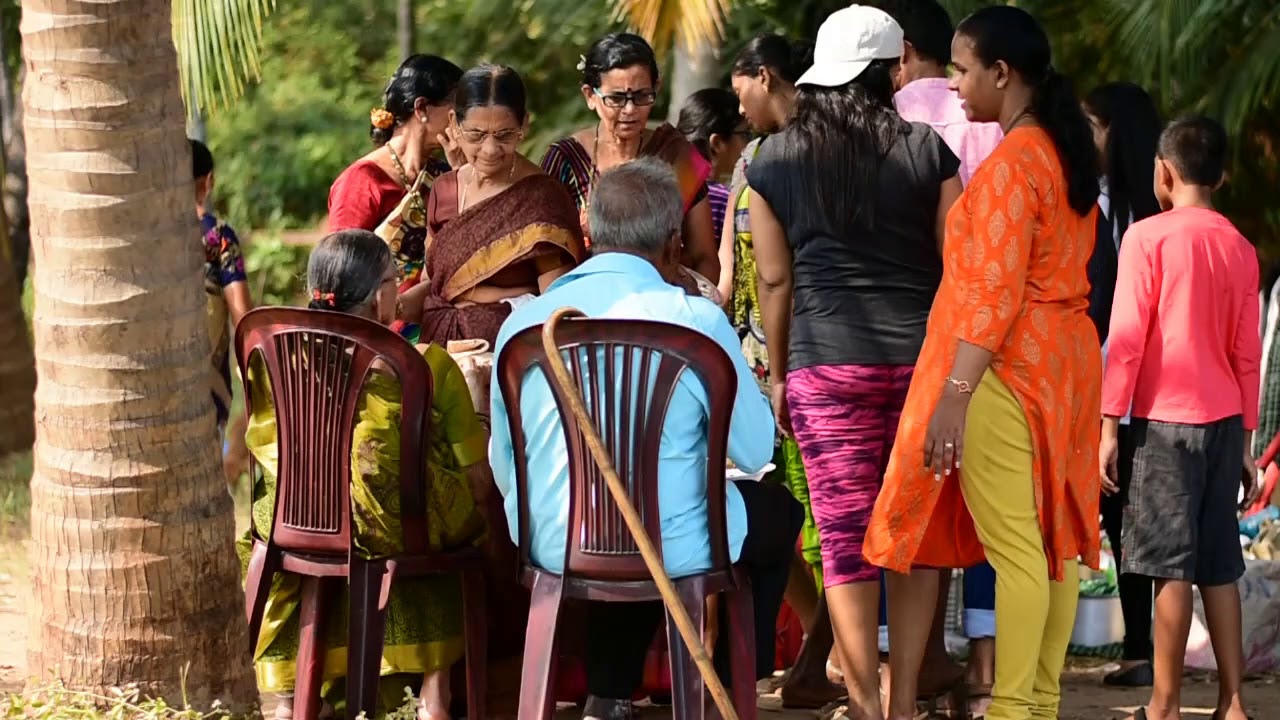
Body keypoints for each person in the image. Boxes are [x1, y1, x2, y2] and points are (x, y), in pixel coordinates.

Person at [490, 158, 803, 720]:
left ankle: (609, 695)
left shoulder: (524, 324)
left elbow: (503, 459)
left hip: (554, 539)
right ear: (674, 244)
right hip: (673, 541)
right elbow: (756, 451)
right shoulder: (696, 320)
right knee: (773, 513)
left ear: (588, 235)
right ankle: (729, 689)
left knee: (630, 516)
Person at [864, 6, 1103, 720]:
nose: (954, 85)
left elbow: (993, 295)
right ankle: (1039, 703)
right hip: (1062, 362)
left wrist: (955, 393)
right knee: (1053, 543)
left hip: (1008, 367)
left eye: (963, 70)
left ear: (1003, 73)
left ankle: (1012, 709)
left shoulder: (1013, 165)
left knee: (1018, 548)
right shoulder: (1060, 154)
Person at [747, 7, 963, 719]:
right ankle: (903, 705)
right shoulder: (928, 151)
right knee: (913, 539)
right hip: (918, 368)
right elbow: (956, 270)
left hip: (824, 368)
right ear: (892, 70)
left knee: (843, 539)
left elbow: (773, 279)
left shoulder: (773, 159)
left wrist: (782, 375)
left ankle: (867, 705)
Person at [238, 230, 488, 720]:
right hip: (387, 527)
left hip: (293, 520)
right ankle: (435, 694)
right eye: (396, 280)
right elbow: (475, 477)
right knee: (448, 515)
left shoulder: (279, 355)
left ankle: (291, 698)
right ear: (379, 296)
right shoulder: (428, 364)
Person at [866, 0, 1005, 704]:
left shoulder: (898, 114)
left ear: (899, 53)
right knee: (981, 504)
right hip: (986, 335)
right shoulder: (998, 124)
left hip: (903, 332)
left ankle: (895, 674)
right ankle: (982, 667)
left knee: (905, 507)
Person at [1100, 116, 1260, 720]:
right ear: (1220, 177)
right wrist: (1246, 441)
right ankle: (1233, 703)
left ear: (1163, 173)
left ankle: (1163, 705)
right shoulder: (1240, 247)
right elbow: (1247, 354)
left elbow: (1126, 340)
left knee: (1169, 568)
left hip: (1163, 425)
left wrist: (1108, 427)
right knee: (1219, 565)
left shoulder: (1147, 238)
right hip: (1224, 421)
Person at [1082, 80, 1163, 689]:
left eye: (1092, 126)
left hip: (1124, 387)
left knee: (1127, 518)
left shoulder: (1137, 214)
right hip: (1129, 389)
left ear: (1116, 132)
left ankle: (1142, 648)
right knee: (1124, 519)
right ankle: (1140, 648)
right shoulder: (1133, 206)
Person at [414, 64, 585, 346]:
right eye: (476, 135)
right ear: (454, 124)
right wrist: (391, 306)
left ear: (524, 125)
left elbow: (556, 310)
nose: (490, 150)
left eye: (504, 135)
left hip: (511, 353)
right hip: (442, 352)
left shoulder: (542, 199)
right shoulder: (444, 189)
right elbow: (433, 285)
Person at [540, 33, 720, 287]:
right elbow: (546, 255)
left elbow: (704, 257)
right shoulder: (565, 161)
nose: (630, 110)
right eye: (616, 98)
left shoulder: (678, 157)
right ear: (590, 96)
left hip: (663, 300)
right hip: (585, 300)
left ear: (656, 88)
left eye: (642, 96)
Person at [328, 54, 464, 308]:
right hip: (377, 320)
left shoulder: (445, 174)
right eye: (457, 109)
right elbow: (340, 273)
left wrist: (463, 174)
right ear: (422, 109)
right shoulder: (362, 181)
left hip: (437, 312)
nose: (463, 121)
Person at [192, 139, 253, 439]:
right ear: (209, 181)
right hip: (209, 388)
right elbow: (242, 313)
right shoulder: (218, 237)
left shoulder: (151, 237)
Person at [676, 88, 749, 247]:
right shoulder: (724, 201)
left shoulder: (658, 189)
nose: (748, 145)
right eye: (745, 135)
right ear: (717, 143)